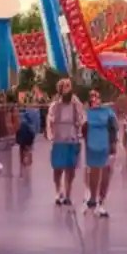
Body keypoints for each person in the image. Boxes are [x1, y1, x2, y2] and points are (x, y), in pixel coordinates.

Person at [47, 78, 85, 206]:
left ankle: (68, 194)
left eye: (70, 86)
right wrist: (51, 134)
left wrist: (79, 125)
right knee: (58, 168)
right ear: (60, 89)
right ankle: (58, 191)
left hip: (72, 139)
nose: (68, 89)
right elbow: (50, 121)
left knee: (71, 168)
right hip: (59, 140)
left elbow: (82, 118)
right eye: (66, 86)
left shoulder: (76, 104)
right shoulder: (55, 106)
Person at [82, 89, 118, 216]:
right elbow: (83, 129)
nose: (95, 99)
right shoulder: (87, 114)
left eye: (97, 97)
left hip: (106, 145)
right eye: (92, 97)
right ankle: (92, 197)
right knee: (93, 171)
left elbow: (113, 127)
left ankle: (101, 200)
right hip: (92, 146)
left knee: (105, 171)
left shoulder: (108, 112)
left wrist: (113, 144)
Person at [16, 103, 40, 171]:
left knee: (22, 146)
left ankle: (22, 163)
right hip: (31, 132)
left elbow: (20, 121)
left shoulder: (23, 112)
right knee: (29, 147)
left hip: (23, 130)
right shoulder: (35, 112)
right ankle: (28, 162)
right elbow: (37, 124)